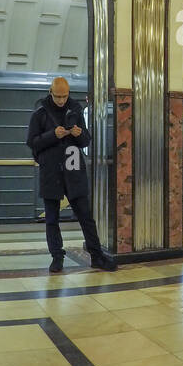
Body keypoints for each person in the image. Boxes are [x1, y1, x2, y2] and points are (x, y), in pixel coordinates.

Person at [27, 76, 115, 272]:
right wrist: (53, 135)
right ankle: (57, 257)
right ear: (50, 93)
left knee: (85, 216)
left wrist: (79, 134)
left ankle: (96, 256)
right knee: (52, 219)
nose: (61, 100)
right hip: (51, 173)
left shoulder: (76, 110)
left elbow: (85, 140)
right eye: (57, 96)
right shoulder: (39, 114)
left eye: (64, 96)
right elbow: (32, 142)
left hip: (73, 170)